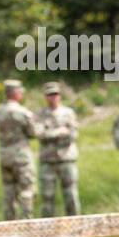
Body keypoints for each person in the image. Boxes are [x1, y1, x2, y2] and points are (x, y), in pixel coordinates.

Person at [37, 82, 81, 217]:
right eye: (50, 95)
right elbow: (39, 134)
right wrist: (59, 132)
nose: (53, 97)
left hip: (66, 158)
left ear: (59, 96)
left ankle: (76, 224)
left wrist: (55, 133)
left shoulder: (68, 113)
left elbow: (73, 133)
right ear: (45, 97)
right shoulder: (40, 114)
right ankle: (46, 228)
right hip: (47, 160)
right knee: (47, 196)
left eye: (55, 94)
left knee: (71, 194)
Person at [0, 79, 36, 219]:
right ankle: (26, 222)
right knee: (26, 190)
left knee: (8, 191)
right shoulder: (22, 112)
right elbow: (32, 133)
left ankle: (9, 223)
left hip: (5, 155)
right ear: (15, 93)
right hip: (21, 156)